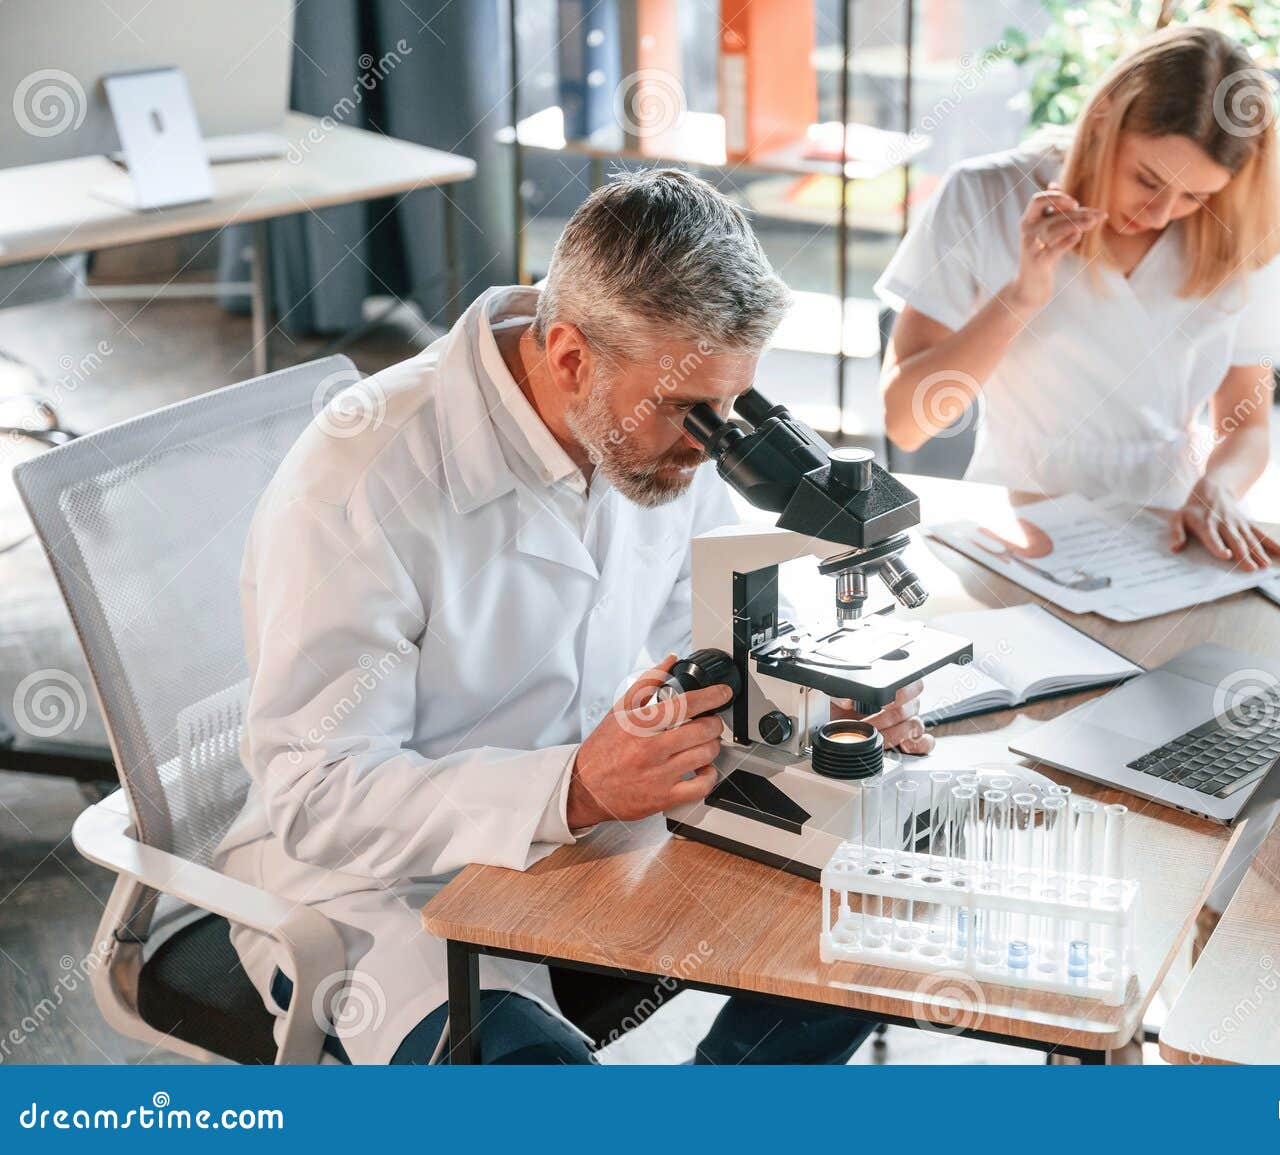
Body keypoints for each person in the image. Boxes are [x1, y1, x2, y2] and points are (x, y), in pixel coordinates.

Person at [214, 168, 930, 1065]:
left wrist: (826, 696)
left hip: (591, 831)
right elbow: (315, 798)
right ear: (568, 357)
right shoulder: (365, 482)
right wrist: (577, 787)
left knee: (882, 905)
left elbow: (700, 629)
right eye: (685, 410)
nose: (709, 444)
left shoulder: (656, 440)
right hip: (377, 893)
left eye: (728, 406)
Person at [877, 25, 1280, 571]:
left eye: (1195, 196)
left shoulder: (1239, 232)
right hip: (1014, 522)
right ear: (1103, 120)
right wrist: (1022, 299)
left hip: (1168, 532)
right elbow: (906, 421)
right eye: (1147, 179)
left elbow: (1248, 426)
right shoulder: (982, 194)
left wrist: (1218, 487)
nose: (1160, 214)